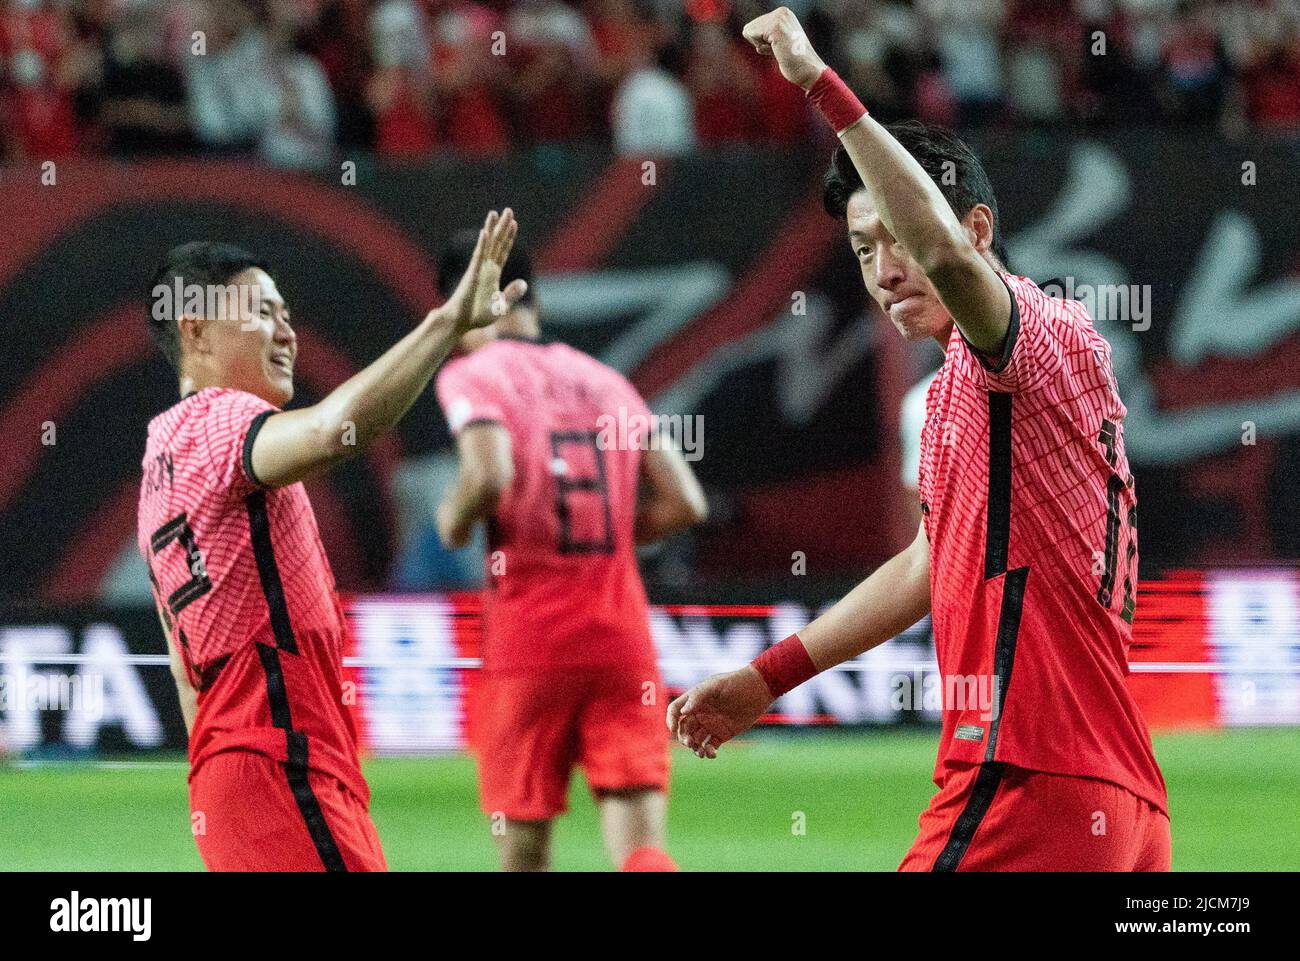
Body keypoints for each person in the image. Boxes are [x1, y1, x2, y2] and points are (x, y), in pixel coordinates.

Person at [668, 8, 1169, 872]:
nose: (886, 267)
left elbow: (942, 252)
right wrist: (768, 678)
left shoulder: (1031, 335)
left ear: (976, 230)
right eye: (864, 249)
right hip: (1117, 795)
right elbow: (929, 564)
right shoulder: (961, 396)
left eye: (898, 238)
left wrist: (820, 87)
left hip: (1026, 771)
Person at [138, 209, 524, 871]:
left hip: (242, 783)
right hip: (282, 765)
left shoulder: (158, 466)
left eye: (286, 311)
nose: (287, 330)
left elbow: (185, 676)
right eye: (262, 310)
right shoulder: (222, 417)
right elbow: (331, 431)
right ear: (195, 330)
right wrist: (446, 324)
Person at [433, 233, 707, 872]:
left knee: (525, 853)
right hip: (620, 633)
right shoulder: (605, 379)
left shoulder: (472, 373)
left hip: (530, 638)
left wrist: (450, 520)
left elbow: (489, 472)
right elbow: (686, 502)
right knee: (641, 850)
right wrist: (611, 536)